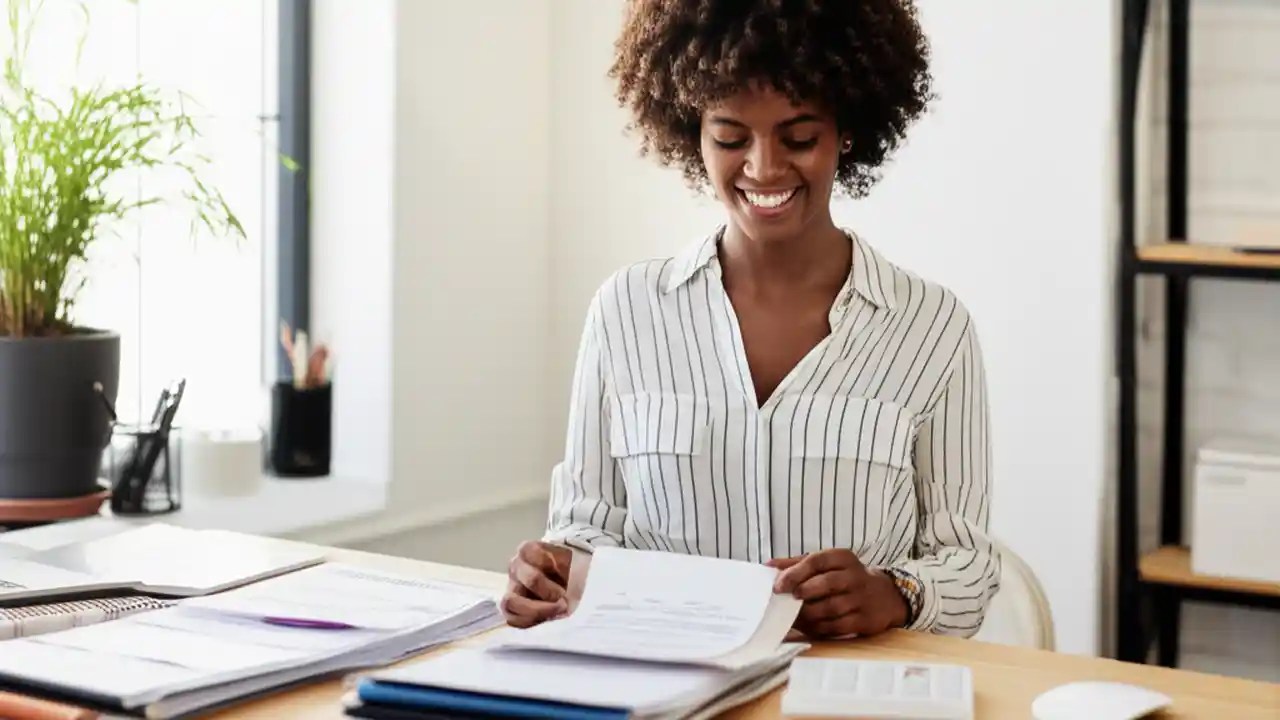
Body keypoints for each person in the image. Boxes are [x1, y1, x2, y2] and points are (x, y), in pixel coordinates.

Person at [502, 0, 999, 640]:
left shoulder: (933, 329)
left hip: (847, 693)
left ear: (847, 130)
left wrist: (894, 594)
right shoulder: (625, 311)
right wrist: (547, 574)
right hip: (665, 687)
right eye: (731, 137)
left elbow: (968, 565)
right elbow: (583, 530)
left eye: (799, 137)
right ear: (691, 131)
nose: (763, 168)